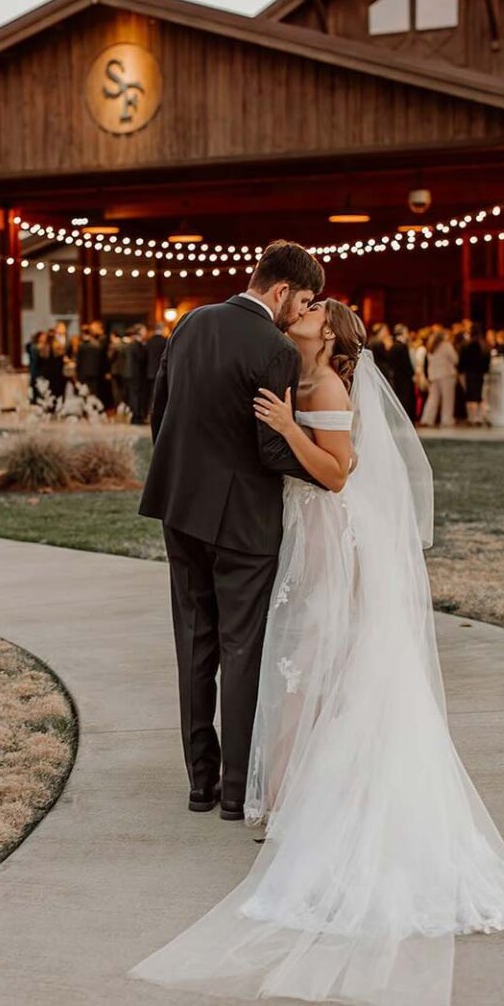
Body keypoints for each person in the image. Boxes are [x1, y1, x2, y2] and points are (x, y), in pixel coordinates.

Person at [131, 299, 504, 1006]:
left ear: (327, 334)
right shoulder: (294, 372)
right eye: (306, 301)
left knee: (313, 659)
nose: (303, 310)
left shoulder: (325, 384)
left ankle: (293, 799)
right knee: (303, 664)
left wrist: (289, 427)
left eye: (315, 309)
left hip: (329, 534)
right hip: (300, 531)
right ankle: (286, 793)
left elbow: (337, 472)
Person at [139, 240, 325, 820]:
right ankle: (236, 792)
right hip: (244, 520)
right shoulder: (276, 349)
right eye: (304, 301)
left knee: (194, 645)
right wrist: (330, 468)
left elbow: (160, 412)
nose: (302, 312)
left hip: (179, 507)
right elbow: (273, 449)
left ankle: (200, 785)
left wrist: (183, 476)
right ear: (282, 291)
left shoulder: (192, 323)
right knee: (242, 650)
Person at [420, 329, 458, 428]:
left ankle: (427, 419)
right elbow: (455, 359)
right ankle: (447, 420)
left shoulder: (431, 347)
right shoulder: (446, 346)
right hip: (446, 375)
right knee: (447, 399)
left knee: (432, 399)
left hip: (433, 376)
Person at [458, 322, 490, 426]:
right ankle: (479, 418)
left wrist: (461, 372)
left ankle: (472, 417)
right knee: (479, 396)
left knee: (470, 396)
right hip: (481, 374)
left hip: (470, 374)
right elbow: (487, 361)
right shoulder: (484, 346)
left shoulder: (466, 346)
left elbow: (462, 361)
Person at [388, 322, 416, 422]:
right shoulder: (401, 346)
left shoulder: (394, 346)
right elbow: (406, 364)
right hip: (404, 378)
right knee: (405, 399)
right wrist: (412, 374)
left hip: (398, 377)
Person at [126, 324, 149, 424]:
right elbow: (140, 357)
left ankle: (136, 415)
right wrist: (145, 347)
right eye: (144, 331)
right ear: (139, 332)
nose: (146, 333)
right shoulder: (137, 344)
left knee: (134, 395)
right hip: (136, 373)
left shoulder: (132, 343)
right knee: (136, 395)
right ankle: (137, 417)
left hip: (132, 373)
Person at [145, 322, 168, 417]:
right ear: (163, 329)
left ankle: (150, 413)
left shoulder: (149, 341)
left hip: (150, 371)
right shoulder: (165, 341)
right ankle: (159, 414)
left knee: (151, 394)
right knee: (161, 393)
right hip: (162, 371)